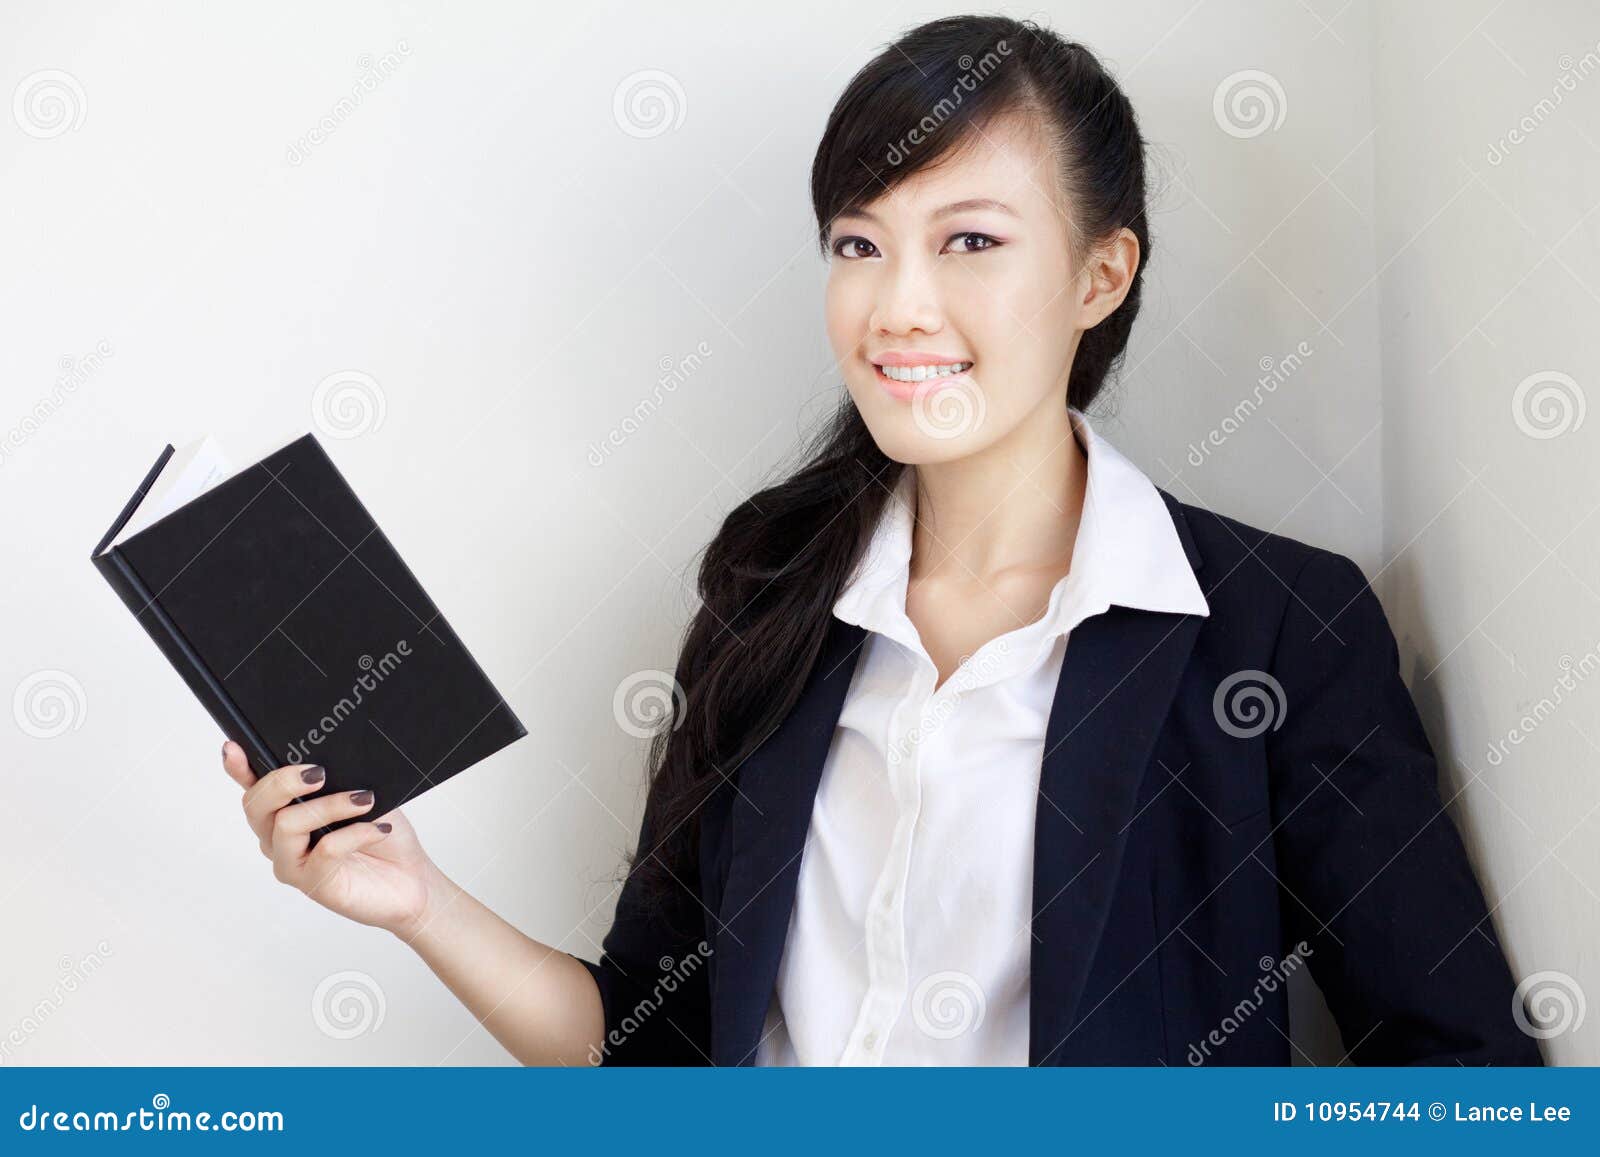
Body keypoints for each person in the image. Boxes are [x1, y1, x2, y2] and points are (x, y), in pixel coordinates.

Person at [220, 14, 1541, 1066]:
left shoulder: (1274, 624)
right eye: (860, 243)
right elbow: (644, 1042)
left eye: (970, 239)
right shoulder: (768, 600)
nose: (899, 306)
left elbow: (1459, 1069)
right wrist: (416, 901)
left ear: (1100, 275)